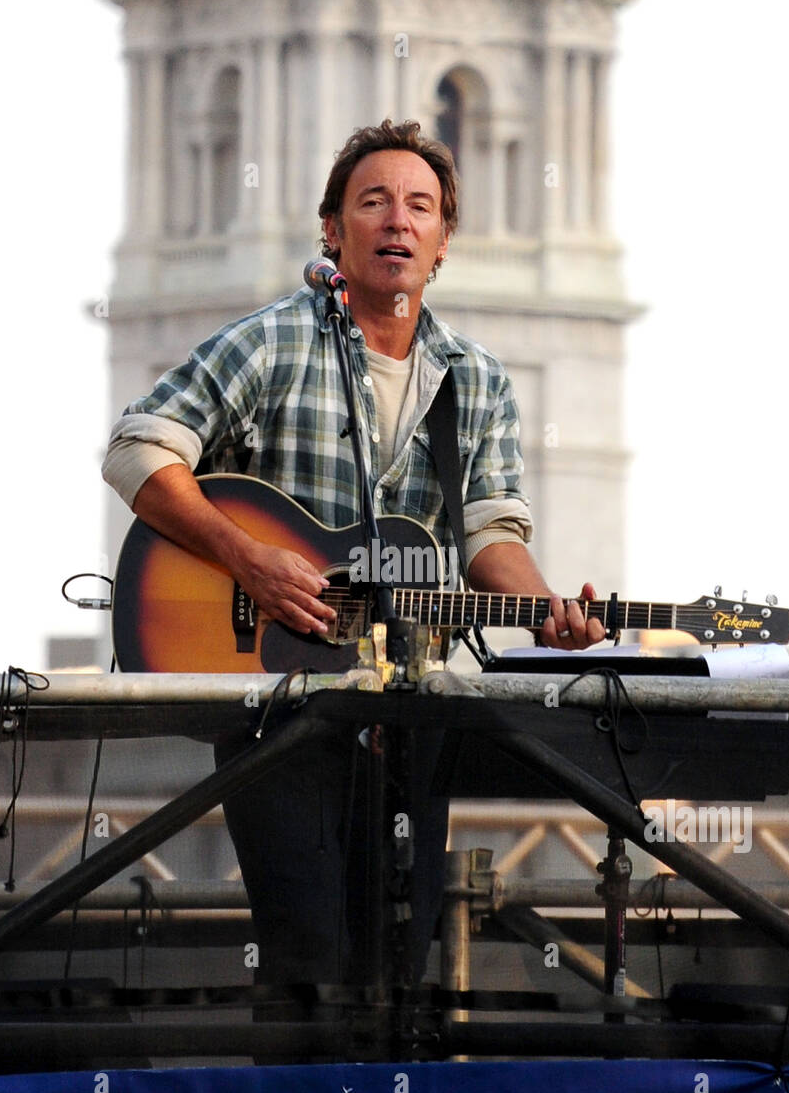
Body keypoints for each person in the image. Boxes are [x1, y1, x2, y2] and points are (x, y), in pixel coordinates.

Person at [103, 119, 604, 988]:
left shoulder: (474, 379)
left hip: (410, 713)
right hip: (279, 704)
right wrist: (250, 557)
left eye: (420, 207)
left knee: (397, 966)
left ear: (444, 241)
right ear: (332, 229)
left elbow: (491, 536)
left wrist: (547, 611)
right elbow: (138, 449)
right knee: (305, 957)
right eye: (373, 203)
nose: (397, 222)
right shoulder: (270, 341)